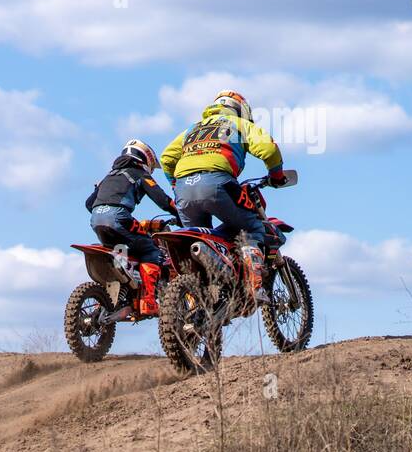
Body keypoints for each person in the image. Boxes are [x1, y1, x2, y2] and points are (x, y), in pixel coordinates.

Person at [161, 90, 285, 295]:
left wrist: (175, 185)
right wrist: (277, 175)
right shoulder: (238, 123)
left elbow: (166, 158)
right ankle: (254, 284)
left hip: (184, 190)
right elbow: (268, 148)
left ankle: (196, 299)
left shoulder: (192, 129)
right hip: (217, 182)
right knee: (252, 227)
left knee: (198, 238)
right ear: (241, 110)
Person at [85, 139, 177, 313]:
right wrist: (179, 213)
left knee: (121, 251)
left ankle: (112, 297)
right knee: (151, 250)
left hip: (96, 219)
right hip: (119, 217)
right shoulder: (139, 173)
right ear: (145, 158)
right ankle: (148, 300)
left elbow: (89, 204)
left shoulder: (109, 176)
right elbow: (162, 200)